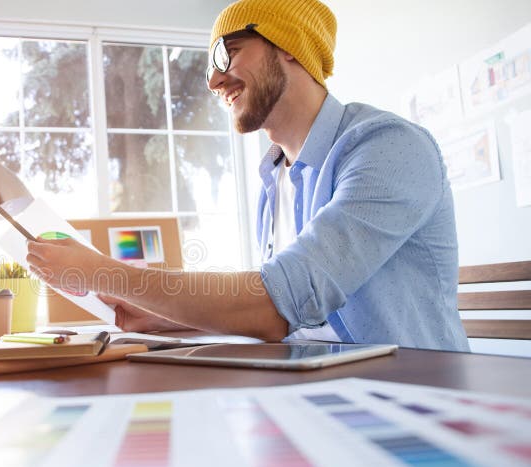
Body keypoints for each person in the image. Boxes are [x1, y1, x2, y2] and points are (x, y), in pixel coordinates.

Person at [26, 0, 470, 351]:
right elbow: (284, 311)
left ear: (288, 43)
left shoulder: (388, 146)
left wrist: (104, 273)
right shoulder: (274, 175)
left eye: (228, 52)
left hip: (412, 392)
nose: (214, 81)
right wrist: (160, 317)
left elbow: (276, 304)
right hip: (317, 386)